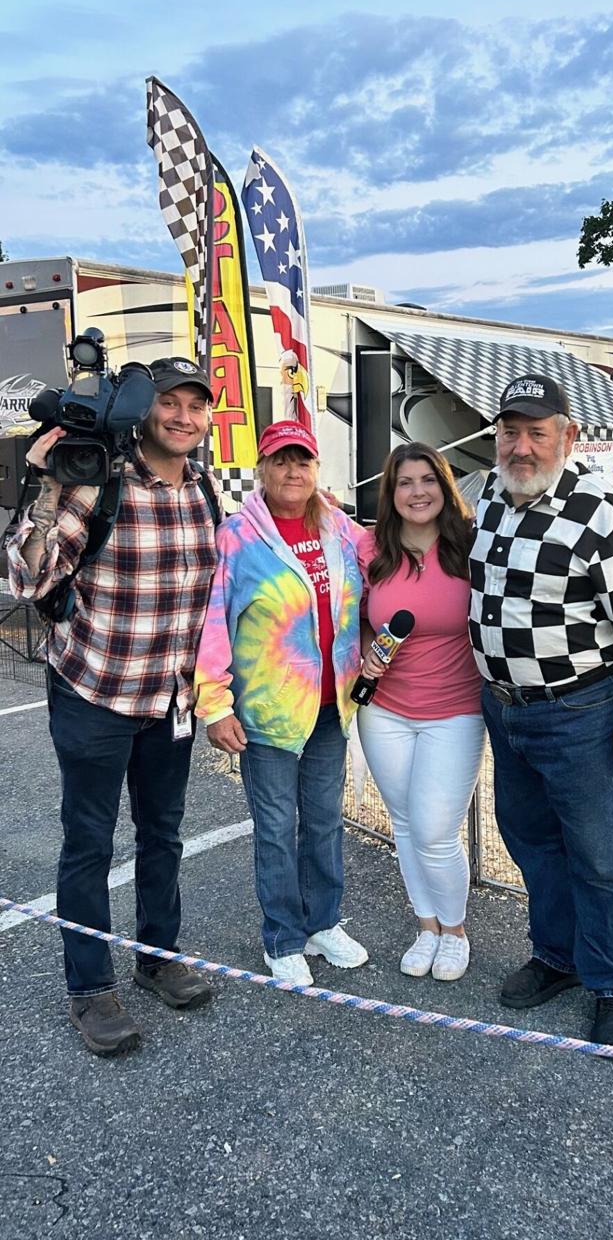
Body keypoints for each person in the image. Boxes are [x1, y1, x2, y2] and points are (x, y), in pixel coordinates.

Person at [7, 357, 221, 1057]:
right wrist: (45, 482)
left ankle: (158, 957)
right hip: (95, 691)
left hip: (170, 698)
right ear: (141, 408)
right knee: (89, 843)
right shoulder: (97, 481)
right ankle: (90, 988)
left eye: (197, 404)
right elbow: (25, 573)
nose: (184, 416)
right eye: (170, 402)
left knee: (162, 834)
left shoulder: (205, 488)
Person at [469, 374, 613, 1049]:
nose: (521, 445)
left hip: (583, 711)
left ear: (568, 436)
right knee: (531, 839)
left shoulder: (602, 510)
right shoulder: (491, 492)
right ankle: (558, 956)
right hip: (508, 711)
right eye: (510, 430)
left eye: (536, 431)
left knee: (602, 854)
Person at [194, 419, 368, 986]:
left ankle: (324, 923)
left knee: (323, 823)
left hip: (330, 707)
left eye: (303, 461)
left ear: (316, 469)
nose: (293, 471)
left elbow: (388, 559)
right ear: (263, 469)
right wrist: (214, 703)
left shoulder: (339, 527)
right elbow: (214, 622)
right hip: (269, 712)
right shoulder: (238, 537)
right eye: (280, 461)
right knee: (275, 826)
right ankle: (282, 938)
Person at [356, 444, 485, 982]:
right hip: (383, 711)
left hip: (455, 711)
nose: (417, 492)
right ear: (391, 493)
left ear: (445, 486)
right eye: (404, 482)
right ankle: (426, 926)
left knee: (435, 829)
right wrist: (365, 647)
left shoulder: (471, 546)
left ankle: (455, 931)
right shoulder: (370, 549)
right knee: (406, 824)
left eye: (428, 480)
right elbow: (359, 614)